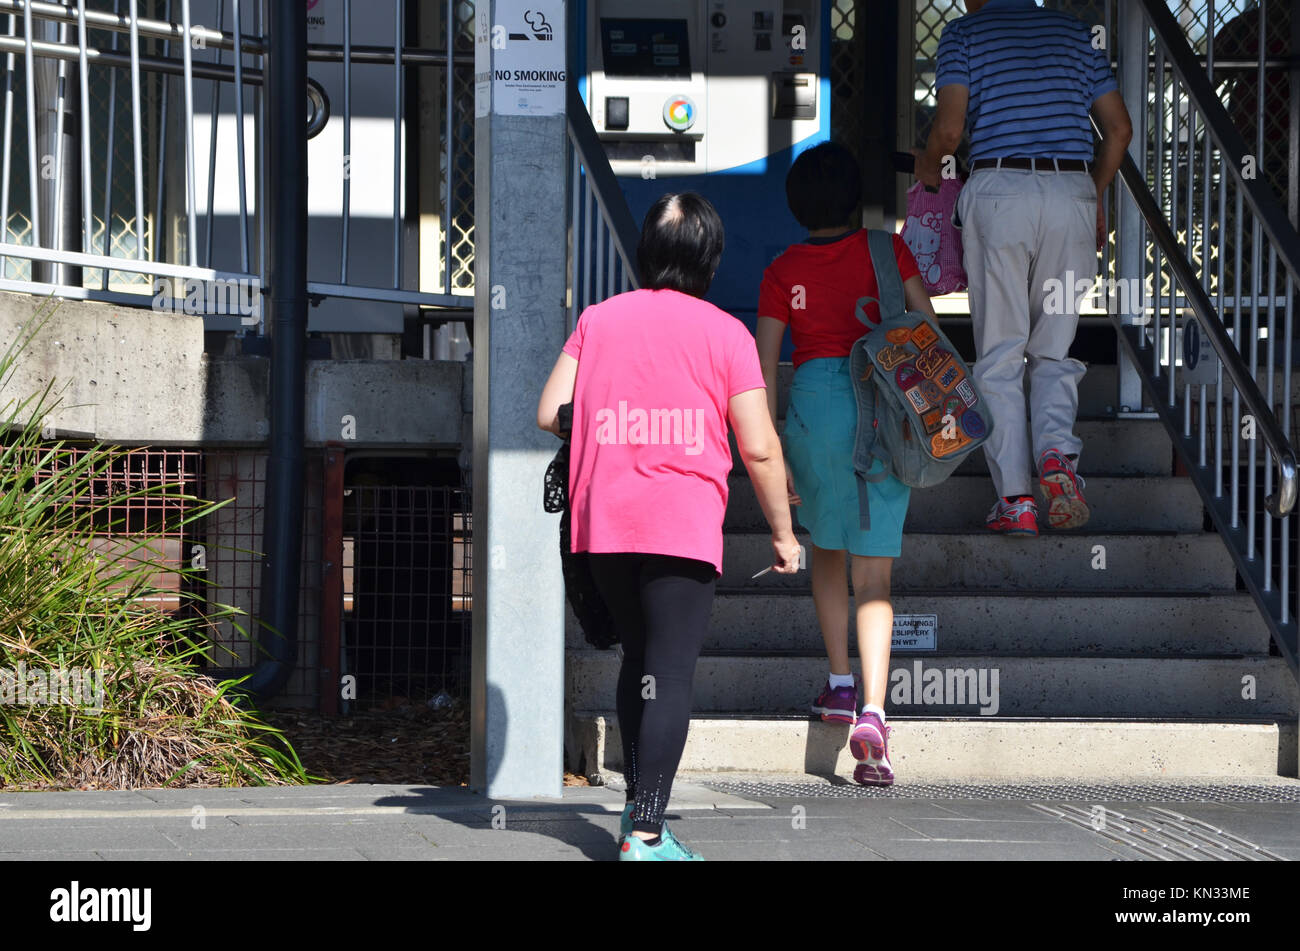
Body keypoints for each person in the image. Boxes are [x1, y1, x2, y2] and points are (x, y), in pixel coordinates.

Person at [537, 192, 801, 861]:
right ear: (710, 262)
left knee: (640, 661)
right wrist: (783, 533)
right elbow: (761, 447)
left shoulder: (598, 320)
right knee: (672, 673)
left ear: (646, 253)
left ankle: (637, 812)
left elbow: (549, 412)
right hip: (678, 529)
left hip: (603, 526)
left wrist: (609, 413)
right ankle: (648, 834)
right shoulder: (726, 335)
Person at [756, 142, 937, 786]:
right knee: (876, 577)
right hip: (881, 405)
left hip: (811, 410)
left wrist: (773, 446)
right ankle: (873, 713)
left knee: (825, 547)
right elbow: (926, 324)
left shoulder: (782, 270)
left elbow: (766, 365)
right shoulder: (888, 251)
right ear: (859, 199)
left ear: (796, 204)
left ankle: (838, 682)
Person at [917, 0, 1133, 535]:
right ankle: (1057, 458)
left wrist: (926, 175)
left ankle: (1017, 500)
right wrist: (1094, 195)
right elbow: (1120, 130)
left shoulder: (964, 34)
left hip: (1000, 196)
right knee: (1053, 349)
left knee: (999, 355)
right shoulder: (1077, 35)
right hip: (1071, 197)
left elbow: (948, 131)